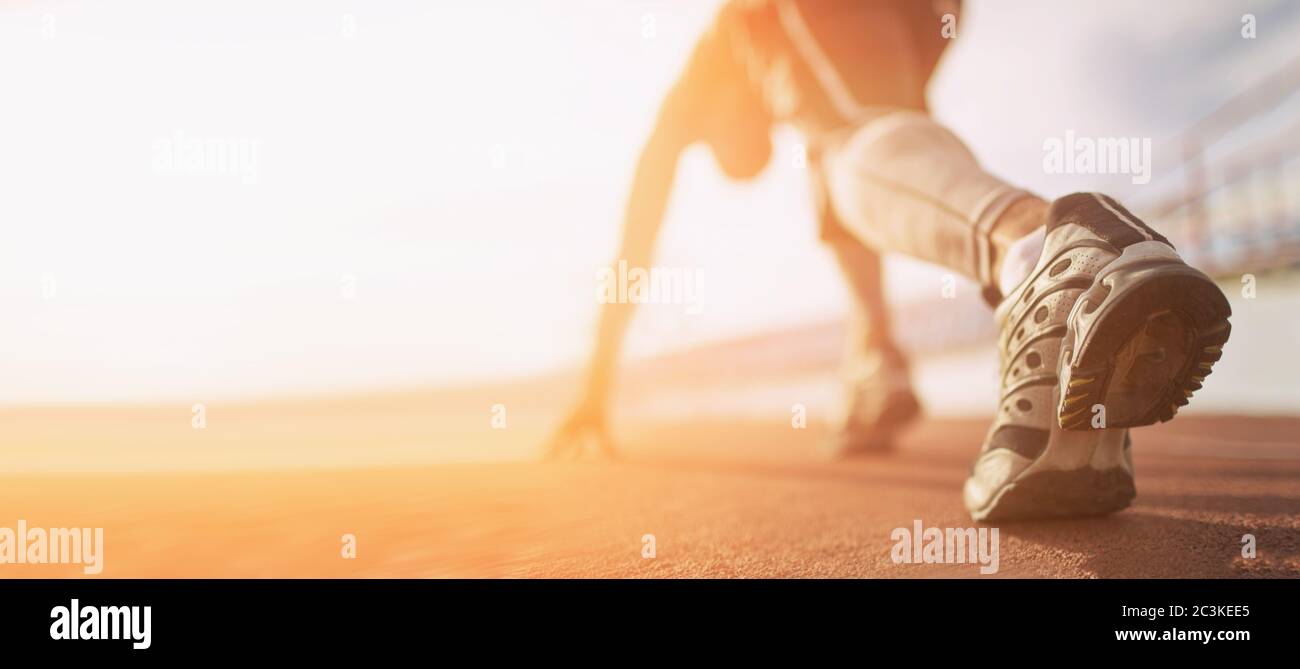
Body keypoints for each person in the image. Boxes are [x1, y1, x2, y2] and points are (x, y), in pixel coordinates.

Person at [545, 0, 1231, 521]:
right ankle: (885, 359)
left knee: (849, 147)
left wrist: (593, 388)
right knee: (850, 169)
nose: (748, 139)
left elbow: (632, 249)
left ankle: (1055, 253)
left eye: (732, 136)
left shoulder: (720, 56)